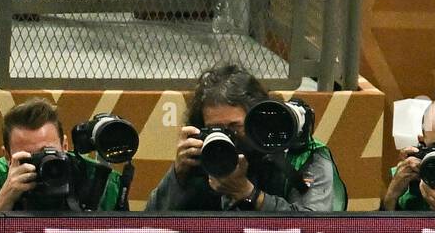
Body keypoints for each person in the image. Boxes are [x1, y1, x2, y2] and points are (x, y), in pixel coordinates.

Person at [144, 63, 346, 214]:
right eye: (215, 129)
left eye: (235, 126)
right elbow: (148, 227)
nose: (227, 136)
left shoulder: (304, 158)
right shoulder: (204, 155)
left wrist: (250, 194)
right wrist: (178, 175)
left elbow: (316, 230)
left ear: (256, 121)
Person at [0, 98, 125, 213]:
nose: (41, 161)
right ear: (7, 156)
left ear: (65, 146)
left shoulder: (101, 180)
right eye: (29, 155)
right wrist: (6, 195)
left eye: (48, 151)